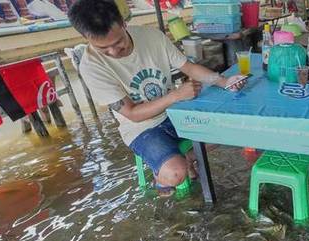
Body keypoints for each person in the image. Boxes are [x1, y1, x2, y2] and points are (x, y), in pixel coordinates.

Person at [68, 0, 247, 195]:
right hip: (142, 129)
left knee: (229, 128)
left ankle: (187, 158)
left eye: (118, 42)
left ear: (122, 22)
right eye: (103, 48)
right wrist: (175, 95)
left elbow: (188, 67)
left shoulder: (151, 37)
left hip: (174, 112)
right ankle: (162, 181)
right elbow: (133, 114)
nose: (113, 51)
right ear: (86, 37)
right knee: (175, 175)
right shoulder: (91, 66)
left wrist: (224, 81)